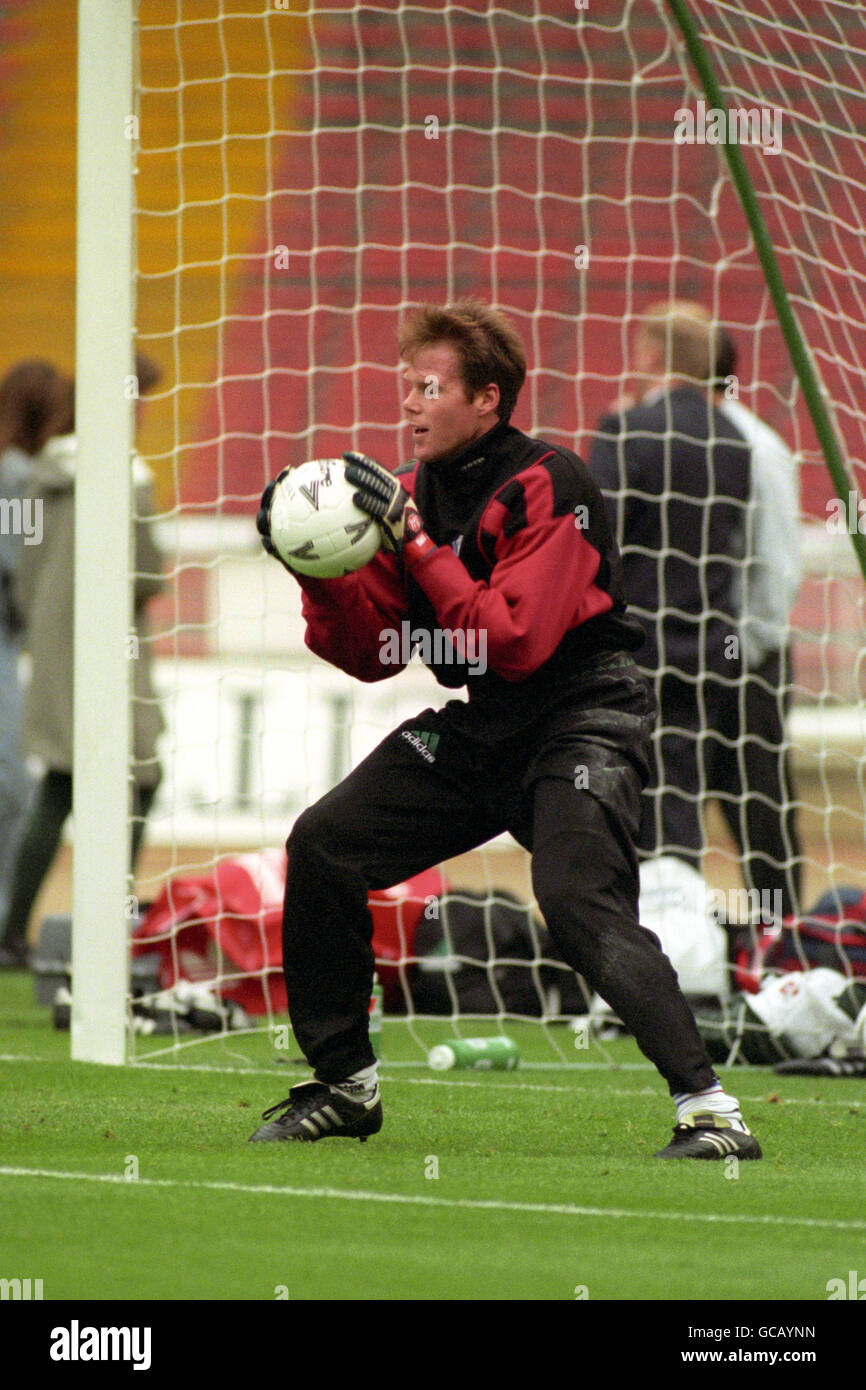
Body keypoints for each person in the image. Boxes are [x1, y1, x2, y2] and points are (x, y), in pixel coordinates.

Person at [252, 298, 761, 1160]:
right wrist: (315, 570)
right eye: (405, 386)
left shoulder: (549, 483)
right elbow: (374, 652)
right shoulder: (405, 495)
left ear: (487, 399)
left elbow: (514, 642)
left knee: (573, 897)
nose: (407, 404)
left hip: (585, 715)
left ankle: (711, 1110)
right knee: (326, 843)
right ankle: (344, 1084)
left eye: (428, 386)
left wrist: (414, 545)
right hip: (487, 725)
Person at [0, 357, 165, 969]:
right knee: (142, 776)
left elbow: (23, 569)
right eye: (140, 399)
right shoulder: (129, 474)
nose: (144, 411)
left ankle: (13, 931)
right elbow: (146, 573)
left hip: (51, 656)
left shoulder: (42, 474)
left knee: (60, 784)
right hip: (112, 658)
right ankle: (106, 921)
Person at [588, 301, 752, 878]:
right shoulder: (734, 436)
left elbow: (596, 537)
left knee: (616, 795)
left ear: (653, 354)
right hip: (707, 645)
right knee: (682, 794)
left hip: (634, 644)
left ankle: (618, 938)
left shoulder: (626, 427)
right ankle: (681, 930)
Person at [708, 329, 803, 920]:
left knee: (758, 809)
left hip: (747, 662)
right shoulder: (664, 434)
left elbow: (774, 567)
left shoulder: (756, 448)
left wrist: (744, 652)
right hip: (688, 654)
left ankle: (783, 935)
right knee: (666, 802)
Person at [0, 362, 65, 931]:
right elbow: (18, 558)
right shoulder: (20, 475)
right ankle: (6, 920)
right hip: (7, 644)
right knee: (16, 787)